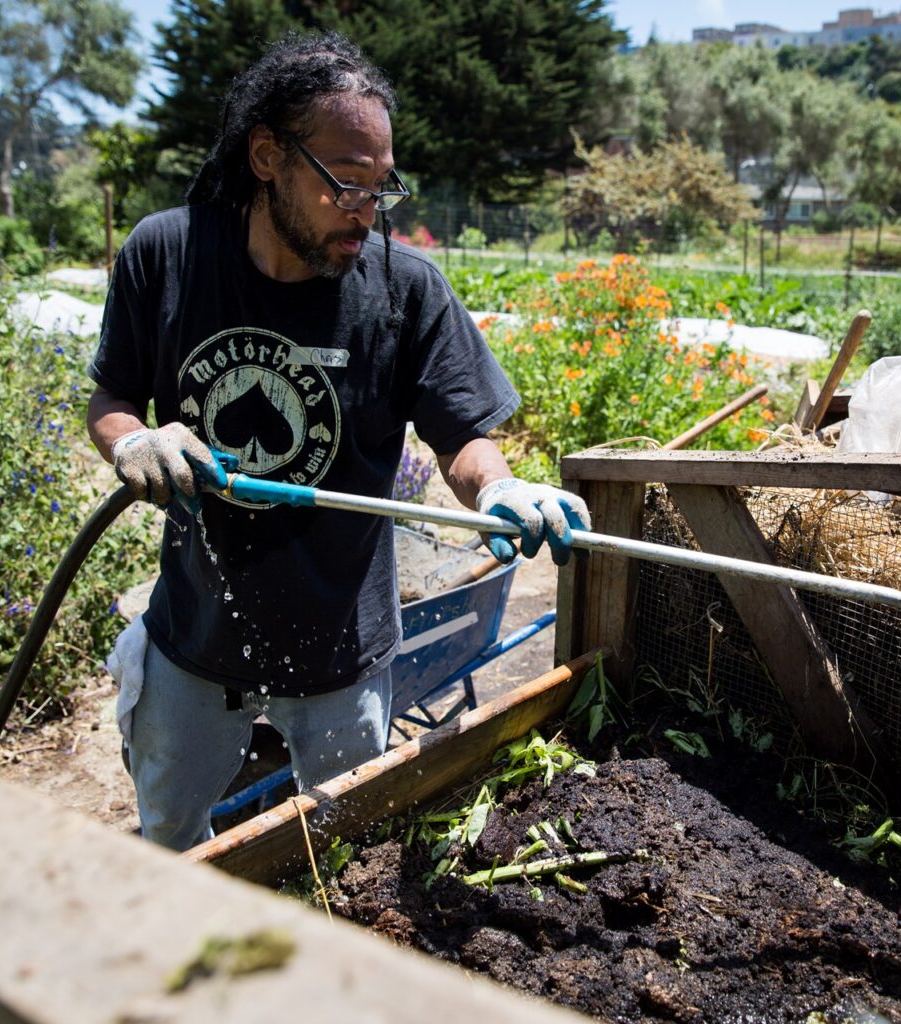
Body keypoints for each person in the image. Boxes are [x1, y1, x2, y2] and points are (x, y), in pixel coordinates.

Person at [85, 32, 590, 852]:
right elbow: (110, 394)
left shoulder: (404, 287)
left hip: (343, 646)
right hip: (195, 634)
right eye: (345, 185)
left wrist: (500, 488)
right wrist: (131, 438)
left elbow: (460, 434)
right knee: (169, 841)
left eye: (381, 188)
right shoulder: (168, 254)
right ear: (266, 156)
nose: (368, 212)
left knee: (346, 858)